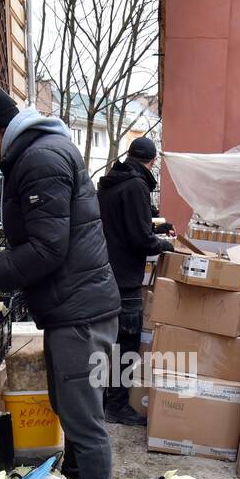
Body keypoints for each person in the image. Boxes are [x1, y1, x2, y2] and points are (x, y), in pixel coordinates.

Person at [0, 80, 121, 479]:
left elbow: (47, 248)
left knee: (83, 418)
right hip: (76, 305)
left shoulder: (39, 158)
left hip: (79, 310)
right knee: (71, 406)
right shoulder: (35, 152)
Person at [96, 136, 173, 426]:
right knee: (127, 342)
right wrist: (163, 244)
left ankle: (104, 399)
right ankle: (117, 405)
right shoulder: (137, 185)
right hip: (126, 278)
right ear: (152, 161)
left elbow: (122, 223)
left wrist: (157, 226)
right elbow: (140, 238)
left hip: (103, 274)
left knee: (109, 341)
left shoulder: (110, 183)